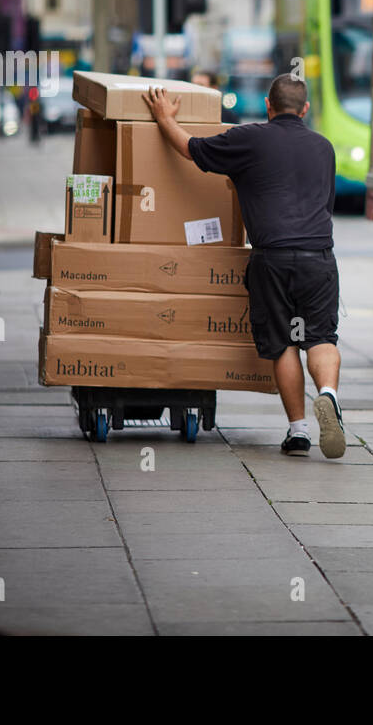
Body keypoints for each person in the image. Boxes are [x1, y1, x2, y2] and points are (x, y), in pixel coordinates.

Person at [141, 74, 345, 459]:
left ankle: (298, 431)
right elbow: (325, 202)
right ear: (305, 110)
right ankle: (329, 395)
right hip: (319, 256)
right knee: (321, 338)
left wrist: (164, 117)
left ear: (268, 106)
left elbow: (189, 149)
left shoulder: (248, 138)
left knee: (283, 343)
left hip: (273, 258)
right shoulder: (324, 147)